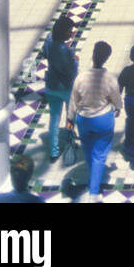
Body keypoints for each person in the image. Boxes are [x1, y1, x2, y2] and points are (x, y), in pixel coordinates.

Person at [66, 40, 122, 199]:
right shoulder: (109, 78)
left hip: (83, 120)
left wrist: (69, 119)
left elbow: (73, 101)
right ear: (107, 58)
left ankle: (93, 177)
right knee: (99, 155)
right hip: (103, 119)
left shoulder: (81, 78)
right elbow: (117, 100)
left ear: (93, 54)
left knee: (89, 150)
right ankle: (94, 191)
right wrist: (117, 107)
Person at [42, 14, 78, 162]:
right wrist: (75, 61)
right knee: (70, 118)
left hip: (51, 86)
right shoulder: (66, 51)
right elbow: (70, 71)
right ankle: (69, 145)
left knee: (54, 119)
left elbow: (45, 53)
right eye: (69, 31)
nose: (72, 33)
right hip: (66, 89)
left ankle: (53, 151)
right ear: (63, 32)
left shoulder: (49, 40)